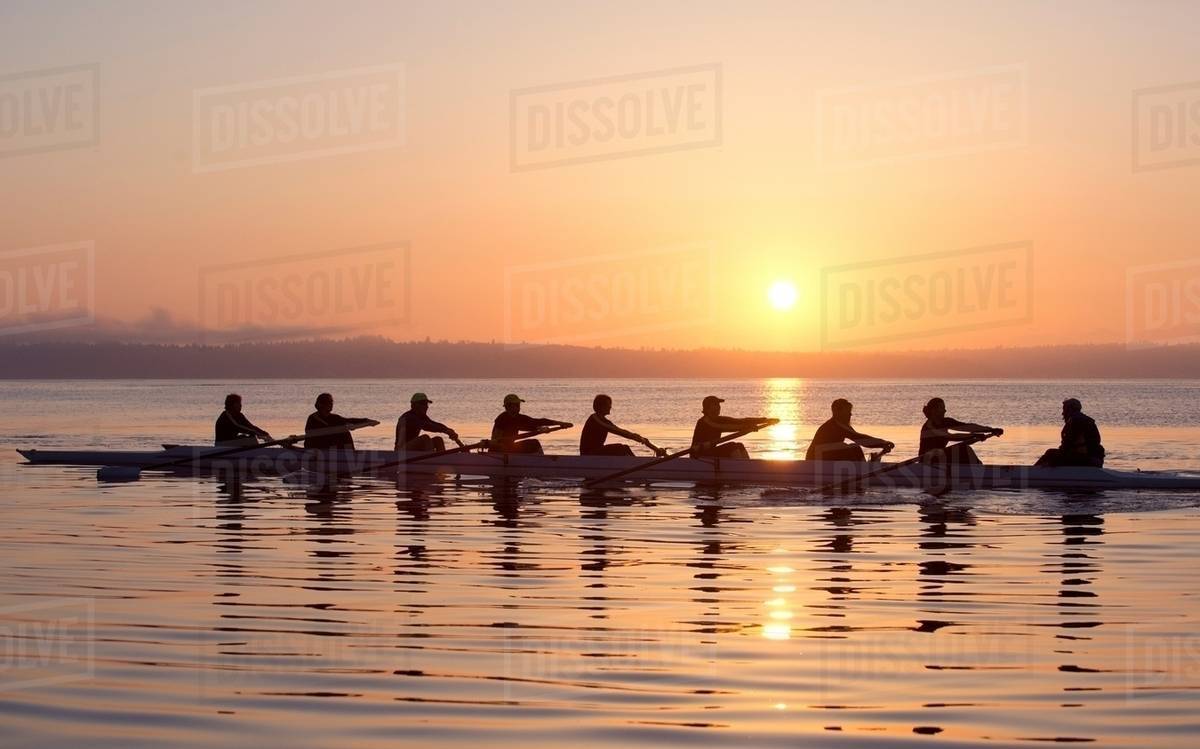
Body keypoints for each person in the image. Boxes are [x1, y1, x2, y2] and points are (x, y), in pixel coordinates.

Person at [918, 397, 1003, 465]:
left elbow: (968, 427)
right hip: (927, 460)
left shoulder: (946, 422)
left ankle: (976, 469)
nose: (945, 410)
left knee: (963, 450)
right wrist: (973, 435)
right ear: (934, 410)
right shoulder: (929, 427)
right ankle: (978, 471)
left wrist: (990, 429)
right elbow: (951, 436)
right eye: (942, 408)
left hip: (940, 457)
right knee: (964, 449)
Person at [690, 395, 778, 460]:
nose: (719, 407)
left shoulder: (719, 419)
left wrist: (765, 420)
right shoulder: (705, 421)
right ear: (708, 408)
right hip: (699, 456)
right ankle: (740, 470)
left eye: (718, 405)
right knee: (732, 447)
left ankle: (747, 467)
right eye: (716, 405)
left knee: (739, 446)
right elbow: (727, 427)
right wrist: (747, 427)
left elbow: (741, 421)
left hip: (710, 452)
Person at [805, 398, 894, 461]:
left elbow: (860, 437)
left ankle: (863, 467)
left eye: (850, 411)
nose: (850, 414)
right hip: (815, 460)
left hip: (824, 456)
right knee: (854, 448)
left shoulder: (842, 425)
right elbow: (861, 440)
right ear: (837, 412)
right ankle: (863, 469)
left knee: (853, 448)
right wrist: (883, 443)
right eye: (847, 411)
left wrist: (881, 444)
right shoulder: (835, 426)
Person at [580, 394, 666, 457]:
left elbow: (618, 429)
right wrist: (634, 436)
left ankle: (633, 463)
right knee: (622, 448)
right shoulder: (596, 419)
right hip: (588, 455)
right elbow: (619, 432)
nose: (610, 407)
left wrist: (639, 438)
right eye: (608, 404)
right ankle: (635, 465)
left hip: (596, 452)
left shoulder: (603, 420)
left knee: (622, 449)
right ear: (601, 406)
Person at [489, 394, 572, 455]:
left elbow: (537, 422)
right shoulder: (502, 419)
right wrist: (501, 447)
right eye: (517, 405)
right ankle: (541, 464)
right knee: (534, 443)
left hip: (510, 448)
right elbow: (495, 439)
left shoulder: (518, 418)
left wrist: (560, 423)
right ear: (508, 407)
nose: (519, 407)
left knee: (533, 443)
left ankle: (538, 462)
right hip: (500, 451)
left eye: (518, 405)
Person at [1035, 398, 1105, 467]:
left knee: (1050, 453)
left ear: (1070, 410)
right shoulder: (1085, 420)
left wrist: (1053, 460)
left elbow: (1067, 445)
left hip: (1088, 459)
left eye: (1064, 410)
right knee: (1052, 454)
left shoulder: (1076, 422)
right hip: (1094, 458)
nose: (1062, 413)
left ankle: (1035, 470)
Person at [303, 393, 379, 450]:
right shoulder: (312, 418)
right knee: (343, 431)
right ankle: (348, 456)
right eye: (329, 402)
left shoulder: (335, 418)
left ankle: (350, 454)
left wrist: (366, 421)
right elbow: (310, 434)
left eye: (332, 402)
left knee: (344, 431)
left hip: (330, 448)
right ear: (322, 404)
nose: (331, 404)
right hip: (317, 448)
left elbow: (349, 420)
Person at [394, 392, 463, 452]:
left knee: (438, 440)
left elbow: (433, 423)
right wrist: (446, 431)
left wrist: (448, 430)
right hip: (400, 451)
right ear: (414, 405)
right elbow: (427, 426)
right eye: (423, 404)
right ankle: (432, 459)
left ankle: (442, 459)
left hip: (412, 448)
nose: (426, 407)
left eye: (426, 404)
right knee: (425, 438)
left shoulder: (421, 416)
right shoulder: (408, 417)